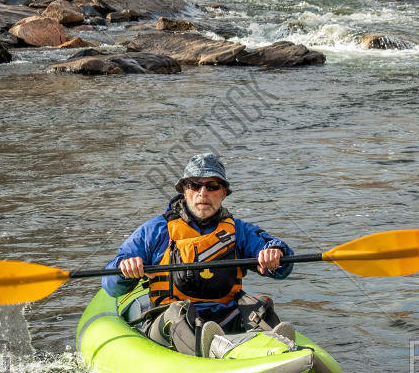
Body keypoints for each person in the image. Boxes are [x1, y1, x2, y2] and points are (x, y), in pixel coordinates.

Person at [103, 153, 294, 357]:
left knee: (259, 303)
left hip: (225, 319)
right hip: (169, 324)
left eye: (212, 186)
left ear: (223, 193)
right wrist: (125, 269)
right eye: (194, 185)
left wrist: (275, 253)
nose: (203, 193)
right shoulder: (155, 230)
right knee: (177, 312)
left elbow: (282, 267)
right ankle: (211, 353)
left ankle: (280, 349)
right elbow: (111, 285)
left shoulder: (239, 231)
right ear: (184, 191)